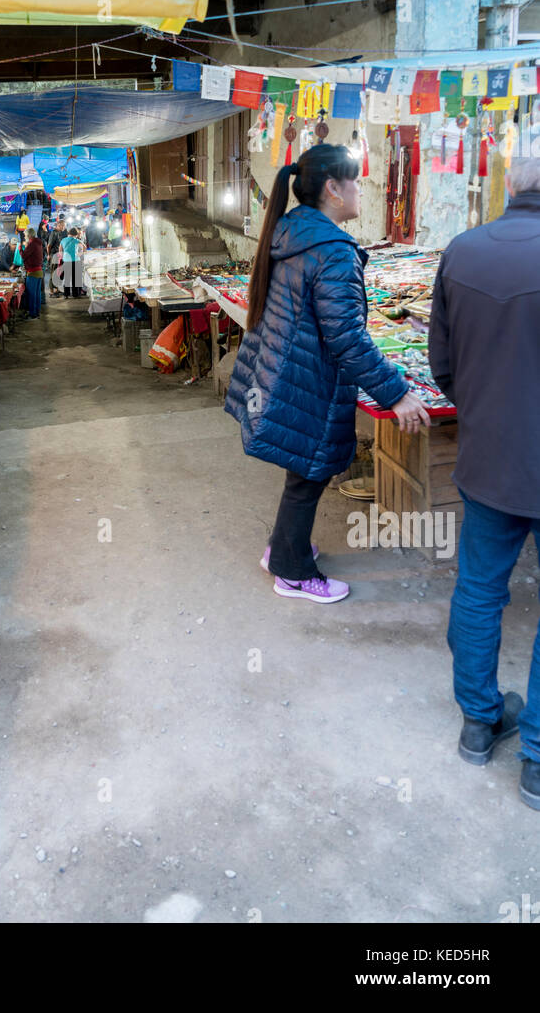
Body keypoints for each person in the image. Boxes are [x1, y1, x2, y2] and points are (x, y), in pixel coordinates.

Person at [225, 144, 429, 605]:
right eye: (356, 182)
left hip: (285, 372)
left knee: (303, 474)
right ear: (334, 190)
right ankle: (293, 572)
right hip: (306, 380)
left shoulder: (292, 231)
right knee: (309, 476)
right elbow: (347, 339)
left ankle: (282, 550)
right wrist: (396, 394)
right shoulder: (332, 251)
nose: (362, 190)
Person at [428, 158, 540, 811]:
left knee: (477, 590)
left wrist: (484, 414)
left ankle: (477, 720)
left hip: (488, 461)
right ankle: (535, 762)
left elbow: (443, 364)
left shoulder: (463, 250)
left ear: (510, 188)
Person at [22, 228, 44, 319]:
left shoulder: (32, 244)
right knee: (37, 294)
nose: (24, 237)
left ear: (29, 235)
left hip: (33, 272)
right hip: (39, 271)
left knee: (31, 294)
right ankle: (37, 312)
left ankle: (32, 314)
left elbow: (23, 255)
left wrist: (20, 247)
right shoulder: (38, 243)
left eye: (25, 235)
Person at [60, 227, 86, 298]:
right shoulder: (76, 240)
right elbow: (84, 248)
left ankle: (66, 294)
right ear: (76, 234)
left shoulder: (63, 240)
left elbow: (60, 250)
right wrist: (79, 254)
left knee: (67, 278)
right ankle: (75, 294)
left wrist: (63, 257)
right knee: (76, 278)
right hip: (75, 260)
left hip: (66, 260)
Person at [48, 214, 68, 295]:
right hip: (54, 255)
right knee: (53, 272)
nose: (64, 228)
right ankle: (52, 290)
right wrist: (49, 255)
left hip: (60, 255)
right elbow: (49, 245)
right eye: (63, 226)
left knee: (58, 272)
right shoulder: (54, 233)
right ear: (59, 225)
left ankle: (57, 288)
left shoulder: (61, 233)